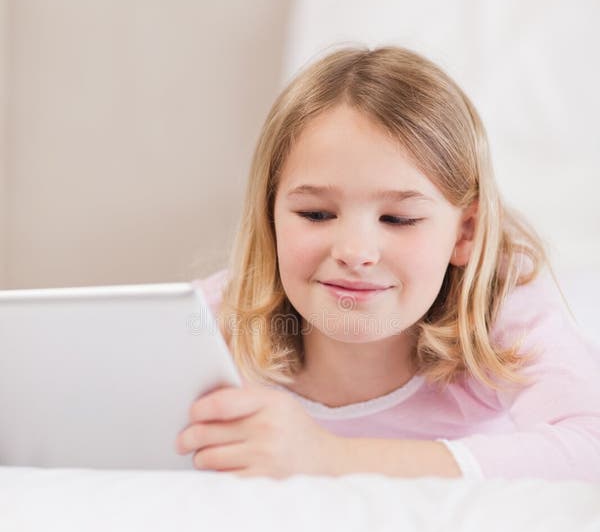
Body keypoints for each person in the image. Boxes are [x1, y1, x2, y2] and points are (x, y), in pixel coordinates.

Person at [175, 46, 600, 481]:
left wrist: (332, 458)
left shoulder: (502, 319)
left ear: (465, 233)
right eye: (316, 214)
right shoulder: (213, 321)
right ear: (271, 218)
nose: (355, 251)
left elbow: (591, 445)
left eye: (398, 219)